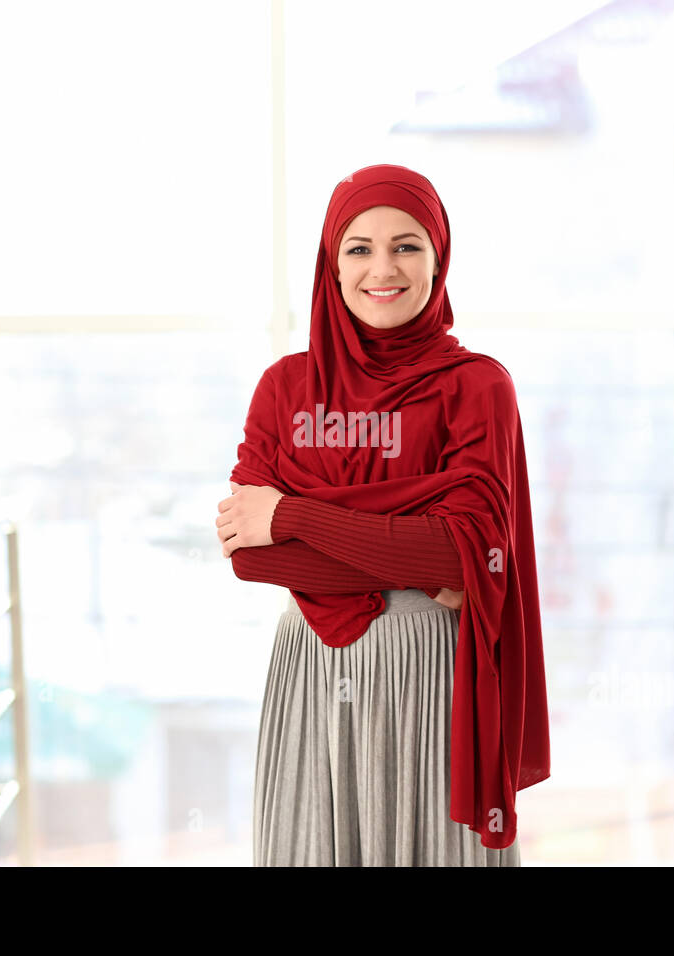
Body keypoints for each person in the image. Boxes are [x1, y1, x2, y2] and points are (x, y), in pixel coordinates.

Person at [216, 163, 550, 866]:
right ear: (331, 268)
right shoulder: (286, 386)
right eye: (359, 249)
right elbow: (251, 555)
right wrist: (408, 545)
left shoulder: (476, 387)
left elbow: (468, 556)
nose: (383, 268)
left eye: (407, 245)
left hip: (431, 675)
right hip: (312, 668)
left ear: (439, 258)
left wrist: (294, 513)